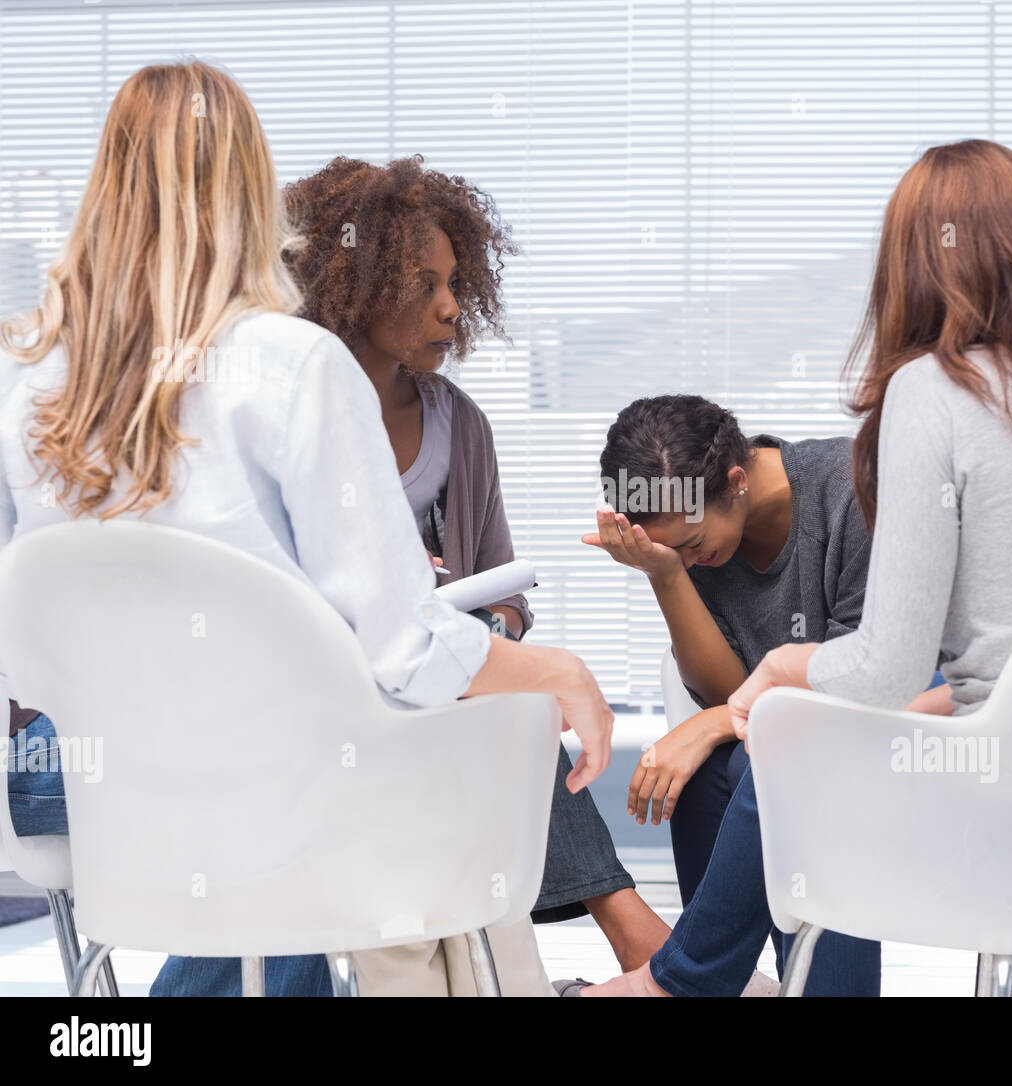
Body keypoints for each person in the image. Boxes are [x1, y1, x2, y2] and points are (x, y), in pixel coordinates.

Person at [0, 60, 612, 998]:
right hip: (286, 796)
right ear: (250, 190)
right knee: (448, 734)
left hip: (89, 798)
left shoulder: (29, 379)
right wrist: (559, 673)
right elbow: (403, 646)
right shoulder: (293, 367)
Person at [587, 139, 1012, 997]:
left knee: (791, 751)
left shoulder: (933, 394)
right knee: (781, 748)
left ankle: (676, 985)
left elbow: (882, 671)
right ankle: (685, 980)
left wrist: (780, 669)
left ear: (912, 269)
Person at [278, 155, 671, 980]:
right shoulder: (289, 411)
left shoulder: (460, 426)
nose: (452, 307)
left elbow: (505, 588)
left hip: (433, 681)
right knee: (501, 704)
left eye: (457, 282)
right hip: (334, 697)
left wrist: (485, 625)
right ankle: (625, 928)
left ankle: (611, 935)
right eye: (424, 285)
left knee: (498, 699)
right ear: (355, 282)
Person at [585, 394, 884, 986]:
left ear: (737, 481)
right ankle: (717, 982)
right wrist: (666, 574)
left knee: (769, 763)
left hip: (888, 741)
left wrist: (713, 724)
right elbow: (731, 692)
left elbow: (867, 678)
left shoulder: (853, 490)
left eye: (692, 544)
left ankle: (690, 981)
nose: (694, 561)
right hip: (783, 752)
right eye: (674, 552)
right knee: (719, 771)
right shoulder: (694, 550)